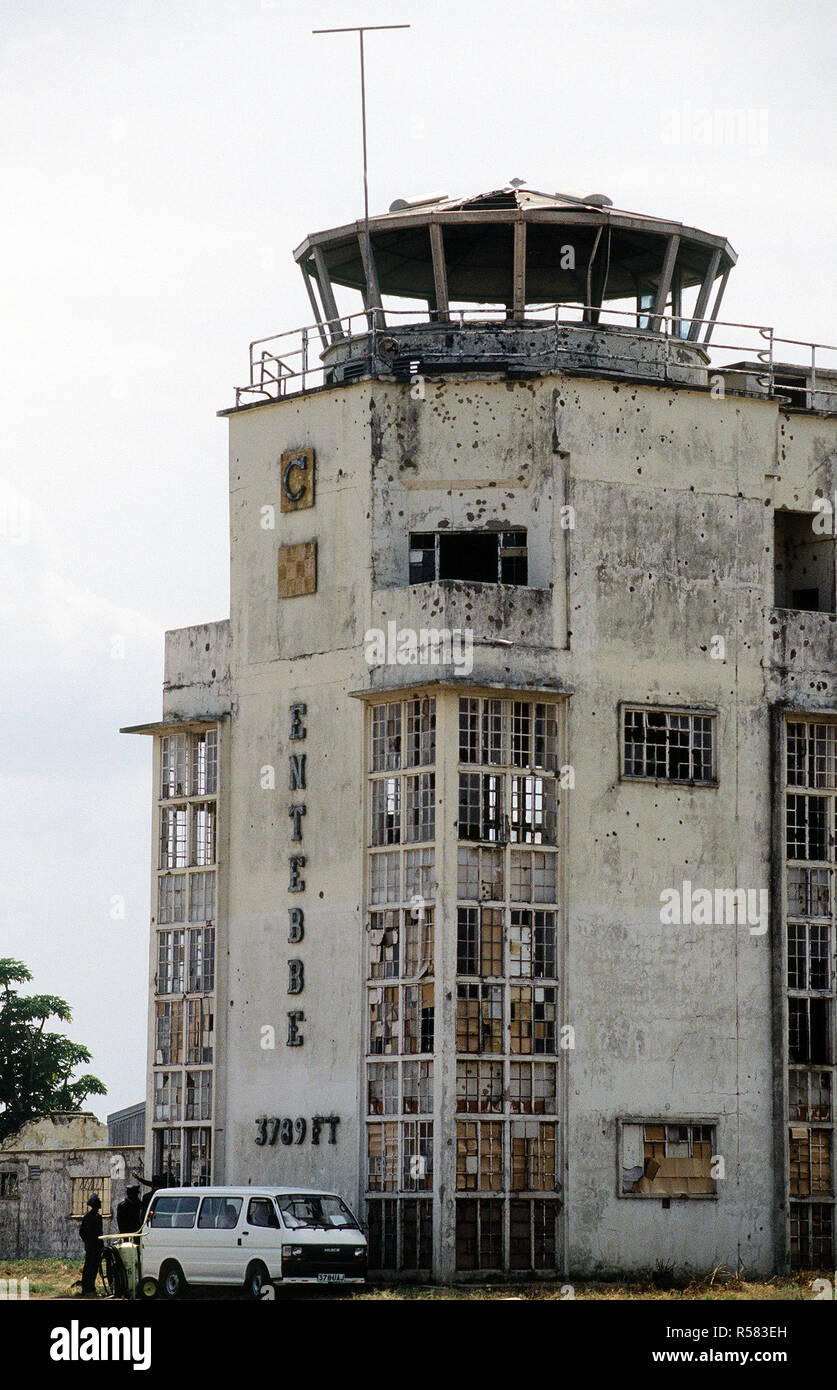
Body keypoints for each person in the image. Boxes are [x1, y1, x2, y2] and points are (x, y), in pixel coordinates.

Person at [79, 1193, 103, 1296]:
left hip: (89, 1245)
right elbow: (99, 1233)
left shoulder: (86, 1216)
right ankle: (91, 1288)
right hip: (96, 1245)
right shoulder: (97, 1217)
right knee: (93, 1268)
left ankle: (85, 1289)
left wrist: (87, 1241)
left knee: (87, 1267)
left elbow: (81, 1232)